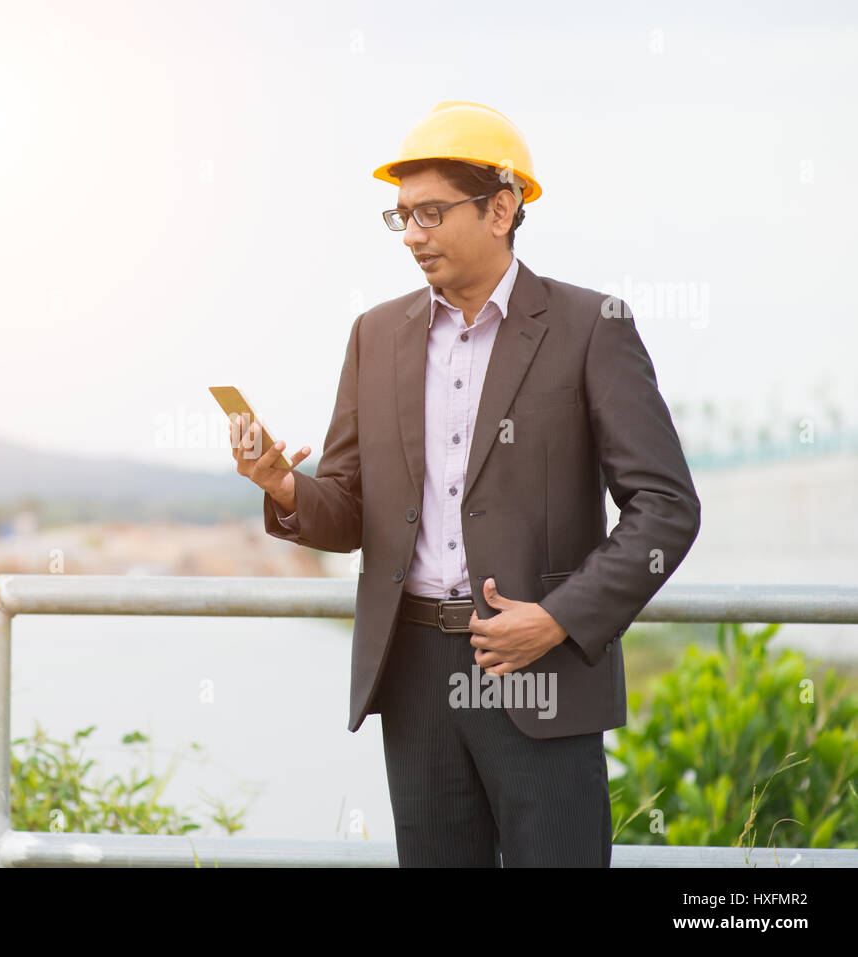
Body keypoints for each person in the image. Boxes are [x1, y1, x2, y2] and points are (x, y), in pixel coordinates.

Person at [229, 101, 700, 867]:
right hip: (411, 672)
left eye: (431, 212)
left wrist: (558, 618)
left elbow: (666, 508)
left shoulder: (590, 325)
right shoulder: (374, 334)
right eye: (401, 215)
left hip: (536, 668)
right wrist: (284, 487)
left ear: (502, 208)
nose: (412, 233)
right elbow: (348, 510)